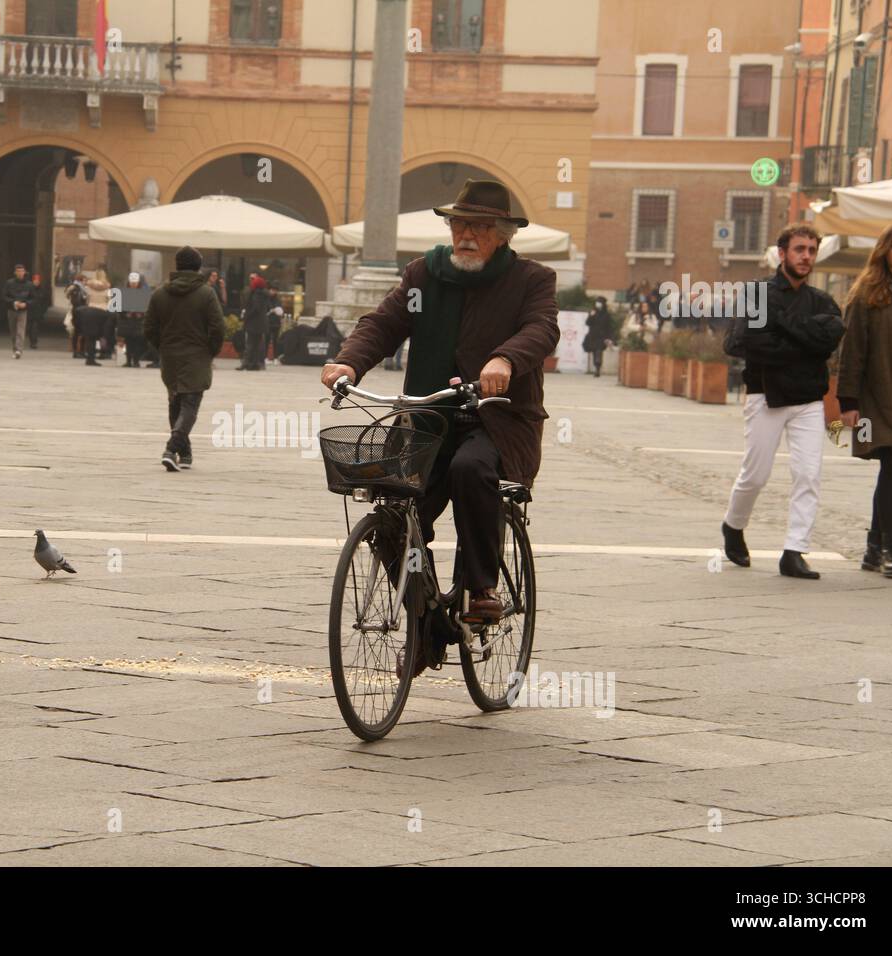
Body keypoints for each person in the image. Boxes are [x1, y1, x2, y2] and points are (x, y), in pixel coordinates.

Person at [321, 179, 559, 676]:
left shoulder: (531, 280)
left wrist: (506, 359)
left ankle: (482, 589)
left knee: (472, 470)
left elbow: (542, 328)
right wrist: (348, 364)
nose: (466, 234)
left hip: (497, 420)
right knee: (389, 513)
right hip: (428, 419)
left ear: (502, 234)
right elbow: (383, 324)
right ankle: (427, 619)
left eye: (478, 226)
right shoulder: (424, 275)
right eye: (459, 224)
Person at [721, 225, 845, 579]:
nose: (806, 256)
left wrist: (783, 328)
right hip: (766, 395)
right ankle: (733, 525)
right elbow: (751, 345)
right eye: (799, 249)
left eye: (811, 250)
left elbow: (828, 343)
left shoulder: (823, 301)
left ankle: (794, 551)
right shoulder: (758, 294)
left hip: (809, 399)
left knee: (808, 474)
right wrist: (806, 340)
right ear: (782, 253)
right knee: (755, 475)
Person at [836, 222, 892, 578]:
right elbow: (852, 350)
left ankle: (872, 545)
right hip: (878, 396)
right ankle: (890, 549)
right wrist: (848, 401)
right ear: (884, 249)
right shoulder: (867, 292)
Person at [144, 245, 225, 472]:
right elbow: (218, 327)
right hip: (197, 355)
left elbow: (149, 327)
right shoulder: (206, 294)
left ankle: (185, 452)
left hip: (170, 356)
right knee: (189, 404)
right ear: (198, 267)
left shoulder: (160, 293)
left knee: (175, 401)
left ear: (177, 265)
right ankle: (171, 448)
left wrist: (162, 346)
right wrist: (211, 350)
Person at [79, 268, 111, 366]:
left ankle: (90, 358)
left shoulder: (88, 287)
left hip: (90, 311)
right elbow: (109, 300)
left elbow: (86, 299)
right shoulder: (108, 288)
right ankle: (103, 353)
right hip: (102, 312)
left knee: (90, 337)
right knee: (101, 335)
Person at [117, 272, 149, 367]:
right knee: (128, 341)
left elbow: (147, 307)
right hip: (127, 321)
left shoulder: (143, 293)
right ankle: (128, 361)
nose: (133, 284)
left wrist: (142, 314)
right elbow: (119, 308)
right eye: (132, 283)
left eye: (135, 283)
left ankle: (136, 361)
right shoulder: (123, 293)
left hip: (138, 321)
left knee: (137, 342)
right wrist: (125, 313)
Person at [239, 274, 270, 371]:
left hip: (253, 323)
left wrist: (247, 316)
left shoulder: (256, 294)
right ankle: (255, 364)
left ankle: (245, 363)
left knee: (250, 343)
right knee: (257, 344)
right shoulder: (265, 294)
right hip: (261, 324)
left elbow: (255, 308)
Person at [4, 263, 34, 359]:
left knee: (20, 330)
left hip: (23, 310)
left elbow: (33, 298)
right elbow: (4, 296)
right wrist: (13, 302)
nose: (20, 273)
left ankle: (19, 350)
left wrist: (26, 304)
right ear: (15, 273)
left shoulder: (29, 285)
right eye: (18, 271)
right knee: (13, 330)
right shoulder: (9, 283)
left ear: (24, 272)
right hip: (12, 309)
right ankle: (15, 348)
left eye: (22, 271)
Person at [583, 296, 616, 377]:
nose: (598, 304)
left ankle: (597, 368)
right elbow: (587, 323)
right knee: (595, 351)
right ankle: (597, 367)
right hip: (593, 336)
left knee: (599, 350)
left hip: (602, 336)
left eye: (600, 302)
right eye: (597, 302)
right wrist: (591, 315)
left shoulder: (606, 314)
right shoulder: (593, 312)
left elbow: (609, 327)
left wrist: (610, 338)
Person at [29, 272, 49, 349]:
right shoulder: (29, 289)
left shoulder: (42, 290)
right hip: (30, 311)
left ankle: (34, 342)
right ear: (33, 281)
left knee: (35, 327)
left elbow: (45, 301)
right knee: (30, 327)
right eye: (35, 281)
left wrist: (43, 310)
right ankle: (32, 340)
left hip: (38, 312)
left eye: (38, 281)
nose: (36, 282)